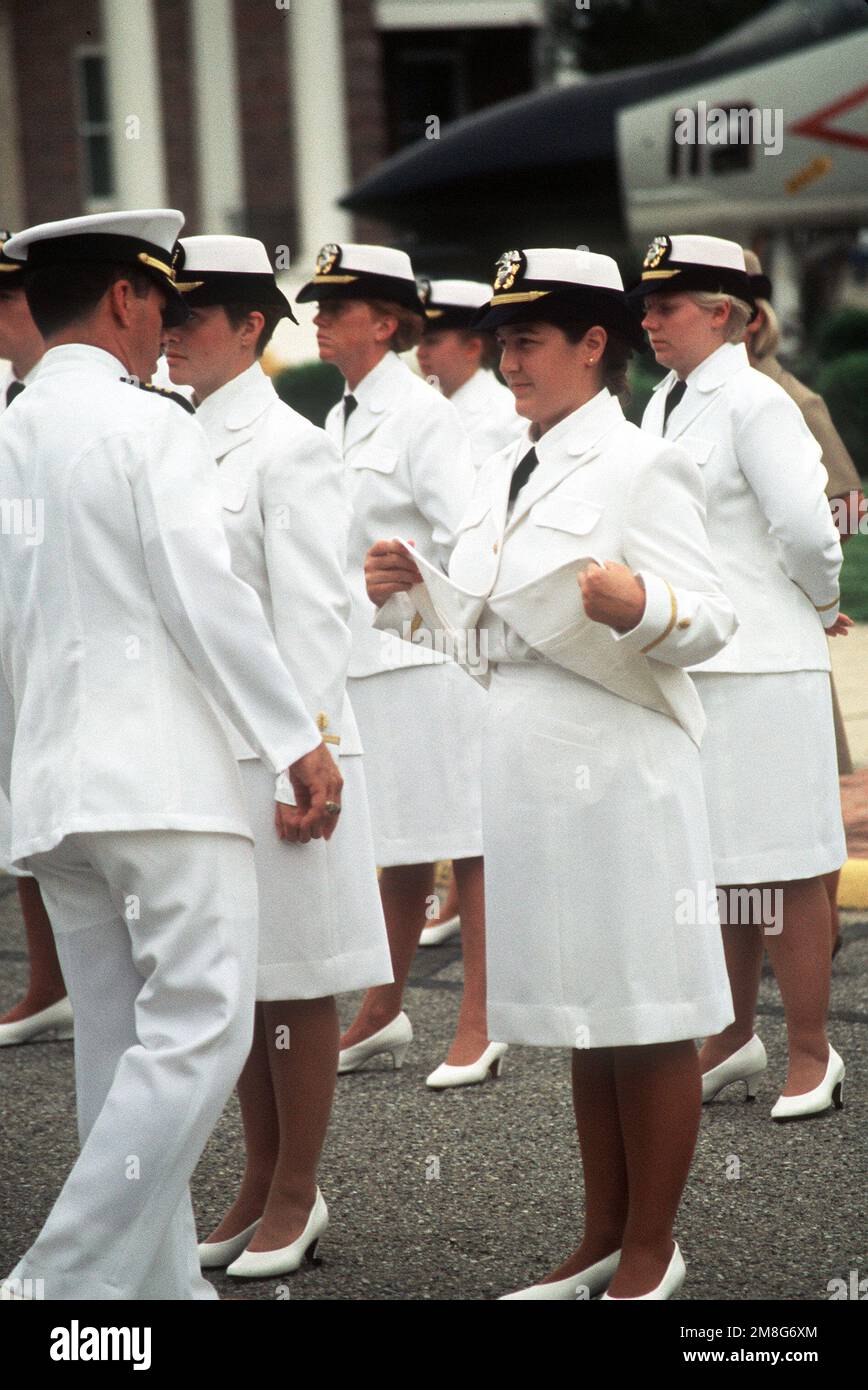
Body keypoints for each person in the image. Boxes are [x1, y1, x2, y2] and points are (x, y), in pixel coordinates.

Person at [370, 247, 737, 1299]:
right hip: (527, 770)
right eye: (500, 340)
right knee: (587, 1013)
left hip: (622, 769)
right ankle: (602, 1237)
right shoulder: (503, 468)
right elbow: (493, 636)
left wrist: (645, 608)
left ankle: (655, 1252)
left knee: (649, 1009)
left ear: (592, 344)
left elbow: (713, 616)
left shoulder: (640, 464)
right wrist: (411, 599)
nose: (507, 359)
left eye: (527, 339)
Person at [0, 209, 340, 1301]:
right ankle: (53, 1283)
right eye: (159, 304)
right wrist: (298, 740)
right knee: (198, 1028)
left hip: (53, 792)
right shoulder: (148, 426)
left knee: (118, 1050)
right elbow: (210, 600)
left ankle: (146, 1294)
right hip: (161, 789)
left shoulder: (9, 433)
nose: (163, 329)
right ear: (124, 300)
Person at [163, 234, 391, 1278]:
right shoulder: (174, 437)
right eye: (162, 312)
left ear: (250, 325)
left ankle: (297, 1190)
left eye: (191, 316)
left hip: (283, 755)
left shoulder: (288, 447)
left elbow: (318, 621)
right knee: (246, 981)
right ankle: (259, 1176)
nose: (167, 335)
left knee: (294, 983)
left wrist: (311, 756)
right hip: (208, 750)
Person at [636, 234, 848, 1122]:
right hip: (693, 657)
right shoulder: (660, 405)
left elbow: (808, 530)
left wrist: (816, 600)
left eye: (668, 306)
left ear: (722, 313)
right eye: (646, 308)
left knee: (791, 866)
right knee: (720, 864)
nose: (649, 322)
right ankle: (730, 1037)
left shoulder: (757, 403)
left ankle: (812, 1052)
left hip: (762, 661)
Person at [297, 243, 498, 1089]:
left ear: (385, 323)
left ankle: (482, 1019)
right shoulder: (339, 417)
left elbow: (472, 533)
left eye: (337, 307)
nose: (319, 319)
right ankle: (384, 1007)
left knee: (469, 840)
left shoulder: (423, 416)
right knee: (401, 843)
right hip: (364, 663)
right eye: (318, 306)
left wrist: (436, 604)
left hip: (427, 659)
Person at [743, 248, 865, 954]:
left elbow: (845, 504)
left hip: (779, 627)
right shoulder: (686, 400)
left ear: (754, 320)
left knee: (801, 801)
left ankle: (817, 939)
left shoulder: (790, 398)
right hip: (725, 635)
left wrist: (803, 580)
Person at [415, 277, 525, 947]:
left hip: (477, 603)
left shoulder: (500, 414)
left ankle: (469, 896)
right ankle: (458, 894)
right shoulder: (441, 407)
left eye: (434, 338)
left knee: (473, 759)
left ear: (473, 345)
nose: (422, 352)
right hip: (435, 606)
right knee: (456, 760)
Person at [0, 233, 74, 1047]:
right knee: (17, 816)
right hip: (10, 637)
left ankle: (76, 978)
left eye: (6, 298)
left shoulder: (121, 400)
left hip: (62, 639)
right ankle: (49, 981)